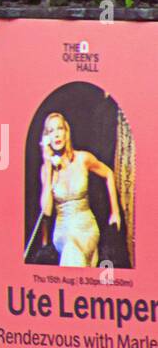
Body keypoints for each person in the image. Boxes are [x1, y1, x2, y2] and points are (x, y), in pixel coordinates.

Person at [37, 112, 120, 267]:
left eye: (59, 128)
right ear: (46, 139)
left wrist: (115, 212)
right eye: (51, 131)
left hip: (87, 227)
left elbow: (108, 173)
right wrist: (48, 166)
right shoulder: (46, 170)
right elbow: (47, 211)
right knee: (71, 251)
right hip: (63, 232)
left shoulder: (83, 158)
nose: (56, 135)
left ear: (66, 132)